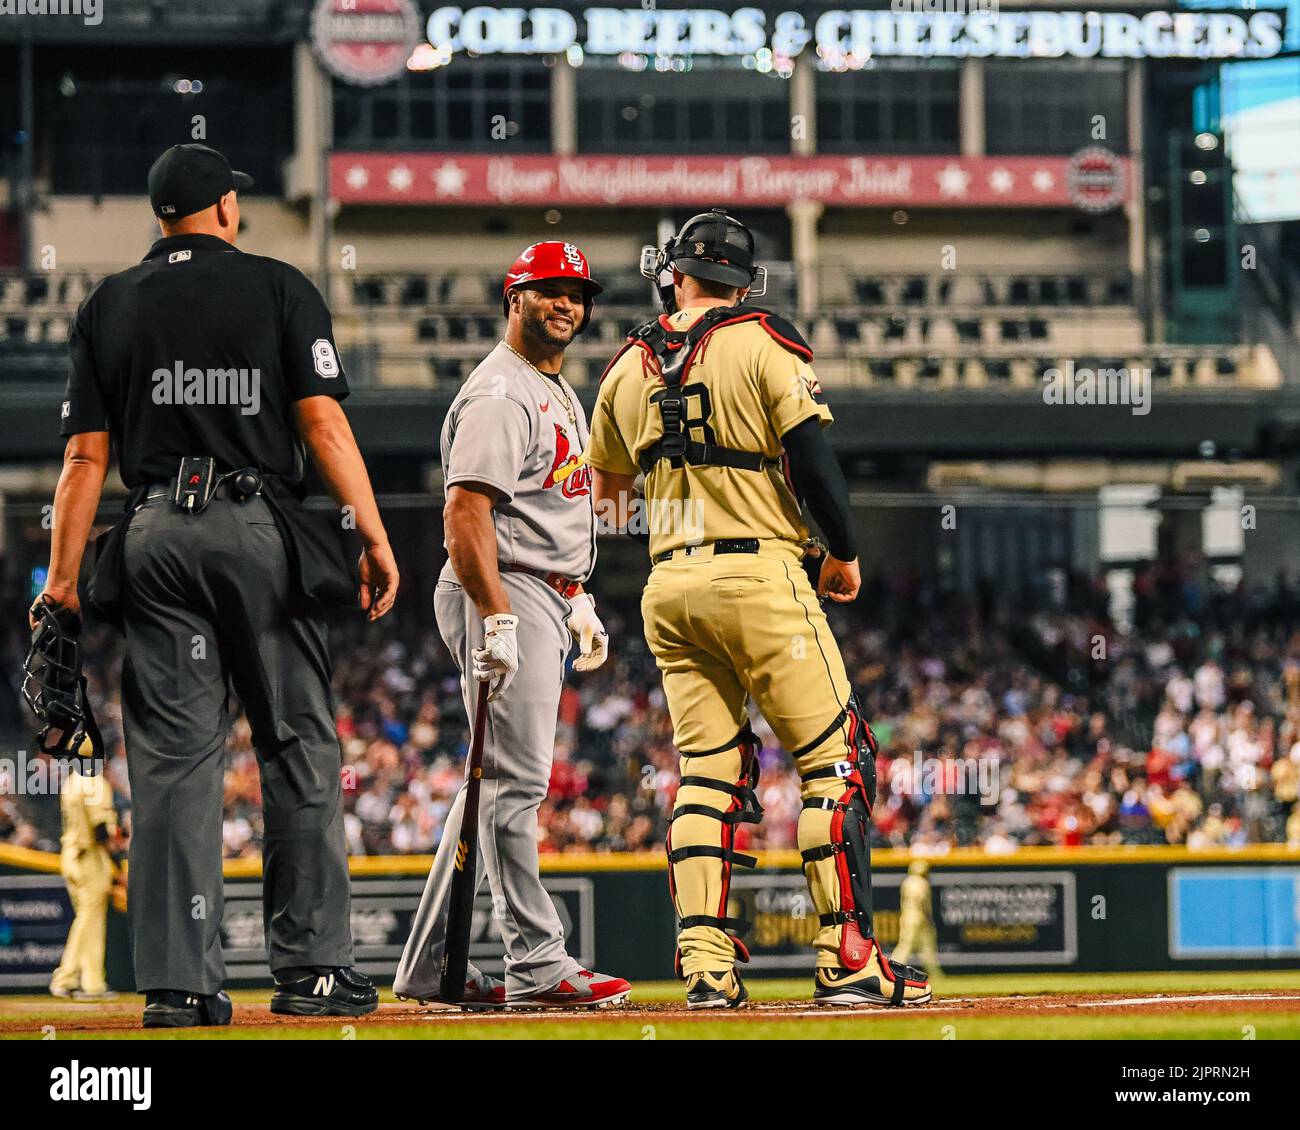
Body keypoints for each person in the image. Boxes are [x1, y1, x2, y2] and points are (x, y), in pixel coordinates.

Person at [35, 143, 399, 1028]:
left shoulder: (108, 303)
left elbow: (85, 459)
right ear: (225, 209)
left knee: (173, 768)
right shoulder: (278, 286)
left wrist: (62, 586)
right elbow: (324, 426)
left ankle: (179, 986)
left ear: (162, 217)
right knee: (296, 746)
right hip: (253, 525)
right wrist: (374, 535)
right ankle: (311, 970)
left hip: (154, 530)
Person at [586, 208, 931, 1009]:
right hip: (761, 578)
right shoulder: (763, 340)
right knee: (837, 761)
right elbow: (813, 459)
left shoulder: (623, 366)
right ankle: (848, 959)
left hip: (670, 585)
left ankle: (705, 966)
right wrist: (838, 549)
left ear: (673, 272)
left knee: (706, 773)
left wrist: (684, 511)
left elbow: (605, 504)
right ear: (745, 283)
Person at [394, 241, 630, 1010]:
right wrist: (498, 616)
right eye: (549, 290)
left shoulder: (553, 387)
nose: (566, 303)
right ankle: (537, 961)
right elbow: (466, 512)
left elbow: (548, 505)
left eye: (576, 293)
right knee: (516, 785)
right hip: (506, 589)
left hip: (542, 589)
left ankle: (432, 966)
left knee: (489, 786)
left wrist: (577, 593)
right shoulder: (501, 390)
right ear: (514, 297)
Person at [49, 758, 121, 1001]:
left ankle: (92, 982)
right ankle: (65, 977)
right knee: (89, 918)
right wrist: (118, 865)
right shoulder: (95, 783)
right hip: (90, 855)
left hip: (70, 853)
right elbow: (100, 829)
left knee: (91, 918)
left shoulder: (70, 782)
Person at [893, 858, 942, 975]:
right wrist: (928, 918)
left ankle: (935, 973)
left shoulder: (907, 881)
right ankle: (893, 969)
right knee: (916, 945)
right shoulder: (922, 882)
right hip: (918, 915)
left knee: (920, 945)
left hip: (906, 915)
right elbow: (923, 902)